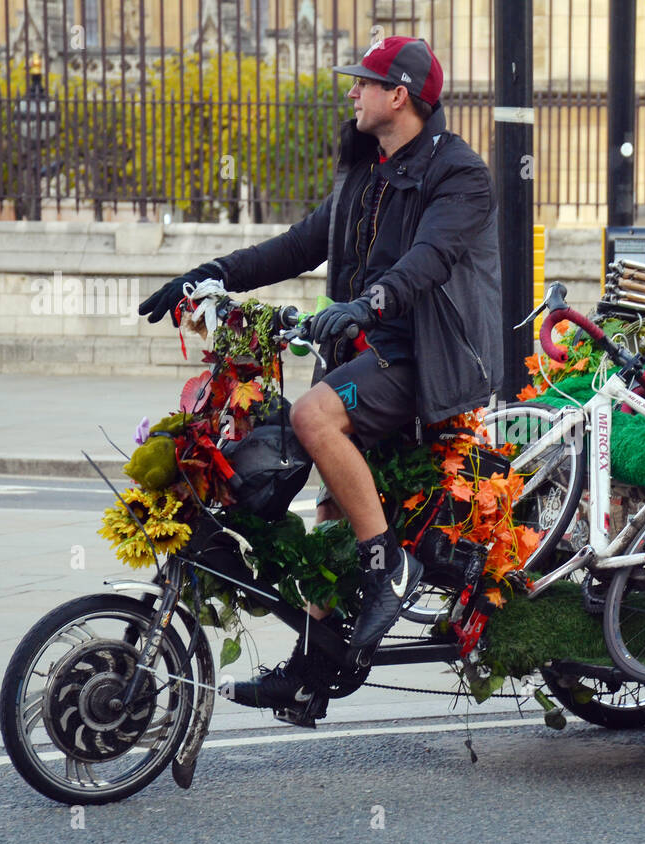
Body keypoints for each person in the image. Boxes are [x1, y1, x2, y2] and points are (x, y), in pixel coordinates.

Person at [138, 36, 503, 704]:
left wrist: (372, 301)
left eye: (363, 82)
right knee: (329, 510)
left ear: (399, 95)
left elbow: (432, 256)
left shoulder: (459, 173)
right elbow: (299, 245)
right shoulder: (365, 171)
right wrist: (209, 275)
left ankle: (388, 564)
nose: (351, 92)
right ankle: (314, 672)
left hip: (420, 358)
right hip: (360, 354)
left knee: (312, 418)